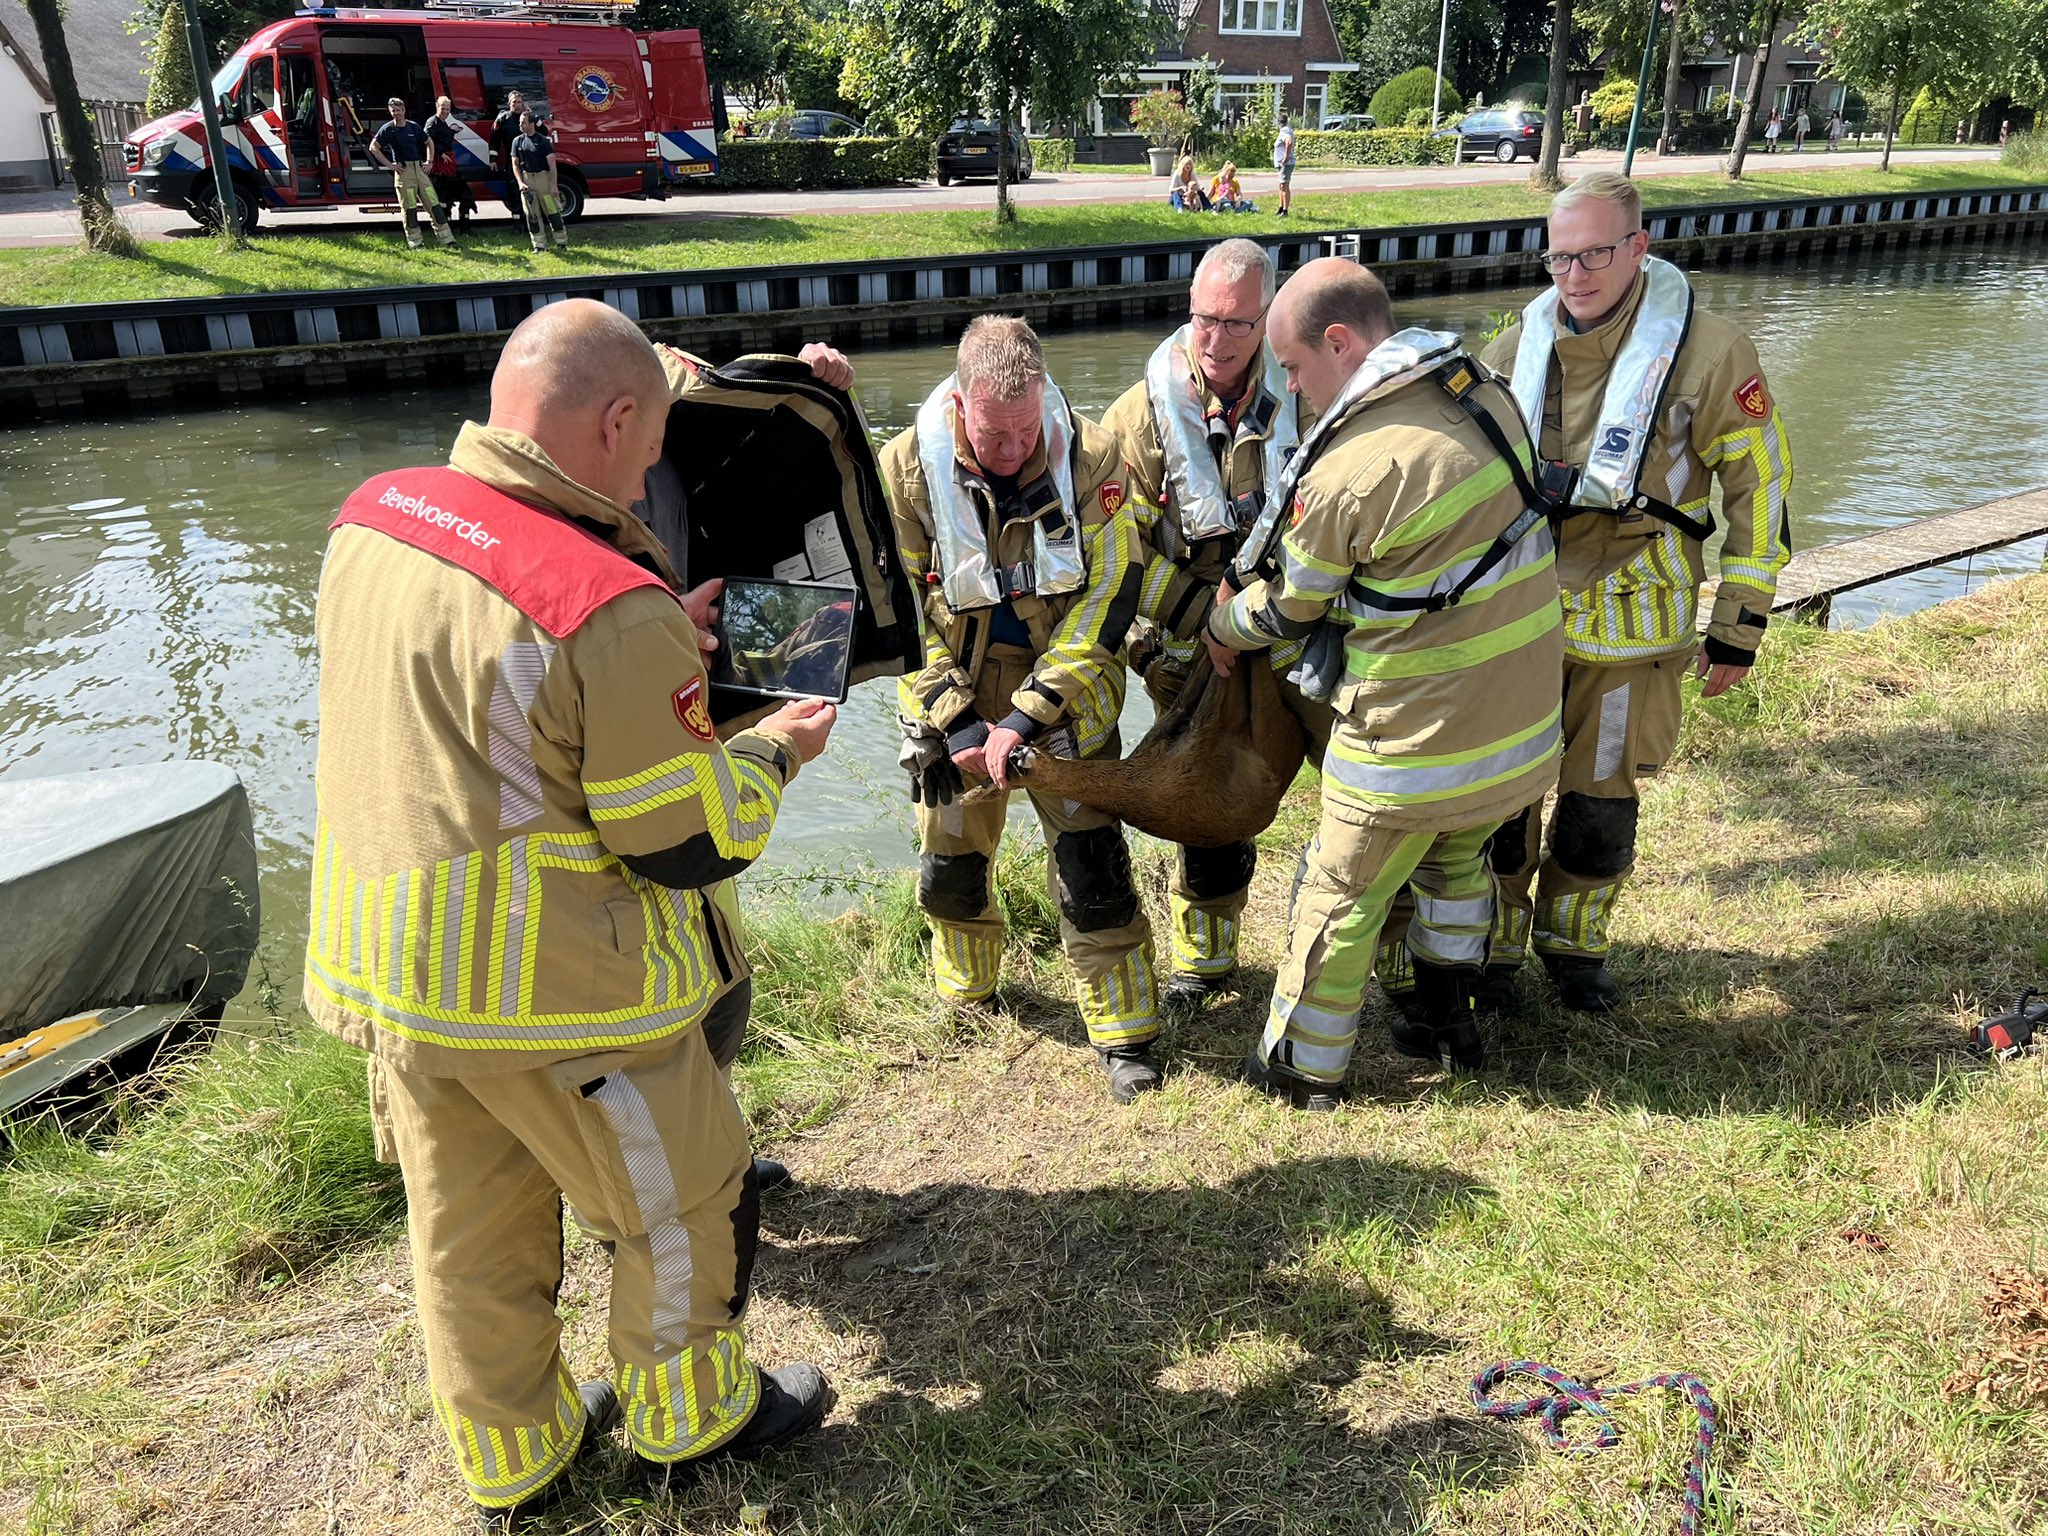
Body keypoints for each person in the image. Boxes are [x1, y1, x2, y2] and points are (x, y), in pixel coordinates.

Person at [305, 299, 839, 1529]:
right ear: (611, 422)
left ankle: (518, 1459)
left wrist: (657, 649)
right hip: (559, 996)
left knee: (471, 1235)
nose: (651, 467)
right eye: (649, 443)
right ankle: (688, 1417)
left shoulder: (371, 518)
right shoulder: (609, 607)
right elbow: (683, 839)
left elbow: (482, 706)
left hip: (397, 976)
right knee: (686, 1202)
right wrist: (771, 750)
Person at [1203, 258, 1564, 1106]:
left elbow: (1291, 607)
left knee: (1338, 897)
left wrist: (1222, 626)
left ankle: (1298, 1071)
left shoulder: (1352, 469)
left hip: (1412, 750)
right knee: (1456, 866)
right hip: (1517, 735)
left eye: (1292, 367)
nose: (1290, 389)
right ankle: (1449, 1021)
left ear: (1340, 343)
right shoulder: (1489, 394)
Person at [1476, 169, 1793, 1013]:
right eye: (1559, 259)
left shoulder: (1713, 351)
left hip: (1637, 613)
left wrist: (1739, 623)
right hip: (1525, 612)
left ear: (1639, 248)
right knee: (1502, 798)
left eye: (1595, 255)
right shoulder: (1513, 347)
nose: (1575, 277)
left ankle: (1573, 951)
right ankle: (1492, 952)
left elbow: (1757, 486)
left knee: (1599, 803)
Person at [881, 316, 1160, 1103]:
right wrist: (961, 722)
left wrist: (1028, 715)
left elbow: (1108, 598)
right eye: (992, 433)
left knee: (1092, 865)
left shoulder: (1095, 455)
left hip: (1063, 691)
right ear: (960, 406)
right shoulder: (902, 469)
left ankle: (1125, 1035)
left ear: (1043, 398)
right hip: (953, 699)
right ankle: (969, 999)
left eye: (1025, 429)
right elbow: (896, 611)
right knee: (950, 867)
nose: (1010, 450)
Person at [1099, 238, 1330, 1014]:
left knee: (1362, 786)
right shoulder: (1136, 420)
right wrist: (1177, 635)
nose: (1216, 340)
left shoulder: (1311, 391)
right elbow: (1117, 553)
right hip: (1190, 648)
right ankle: (1205, 963)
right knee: (1206, 803)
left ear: (1268, 320)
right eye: (1203, 319)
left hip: (1301, 625)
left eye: (1237, 324)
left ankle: (1381, 953)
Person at [368, 96, 454, 249]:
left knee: (434, 204)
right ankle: (416, 243)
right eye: (393, 111)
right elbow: (373, 147)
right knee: (410, 209)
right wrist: (390, 165)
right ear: (390, 112)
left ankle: (447, 240)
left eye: (399, 110)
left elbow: (429, 142)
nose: (396, 113)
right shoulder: (388, 129)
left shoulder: (413, 127)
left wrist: (430, 161)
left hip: (420, 171)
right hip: (404, 173)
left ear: (404, 110)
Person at [512, 111, 569, 253]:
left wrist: (553, 185)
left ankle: (561, 243)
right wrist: (520, 182)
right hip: (527, 180)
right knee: (532, 215)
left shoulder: (543, 141)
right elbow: (515, 165)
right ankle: (539, 245)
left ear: (532, 125)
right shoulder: (517, 141)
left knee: (552, 212)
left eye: (523, 122)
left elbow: (552, 166)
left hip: (543, 179)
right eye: (520, 122)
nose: (520, 125)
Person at [424, 95, 478, 228]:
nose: (446, 112)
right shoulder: (432, 122)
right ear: (437, 107)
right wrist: (440, 153)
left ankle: (462, 226)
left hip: (448, 164)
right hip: (439, 166)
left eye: (448, 110)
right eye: (443, 109)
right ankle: (444, 225)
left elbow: (443, 136)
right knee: (443, 197)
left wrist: (452, 131)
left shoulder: (443, 123)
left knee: (463, 195)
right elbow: (428, 140)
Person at [492, 89, 527, 178]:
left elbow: (543, 132)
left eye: (519, 102)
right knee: (513, 189)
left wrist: (532, 116)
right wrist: (493, 160)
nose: (517, 105)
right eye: (514, 102)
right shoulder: (503, 119)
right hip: (511, 161)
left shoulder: (528, 118)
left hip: (529, 161)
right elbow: (494, 140)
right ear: (509, 104)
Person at [1273, 110, 1297, 217]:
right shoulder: (1288, 130)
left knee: (1284, 186)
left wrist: (1285, 157)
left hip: (1285, 164)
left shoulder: (1284, 131)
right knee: (1281, 186)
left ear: (1279, 124)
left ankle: (1285, 211)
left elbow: (1289, 142)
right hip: (1283, 164)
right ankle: (1281, 207)